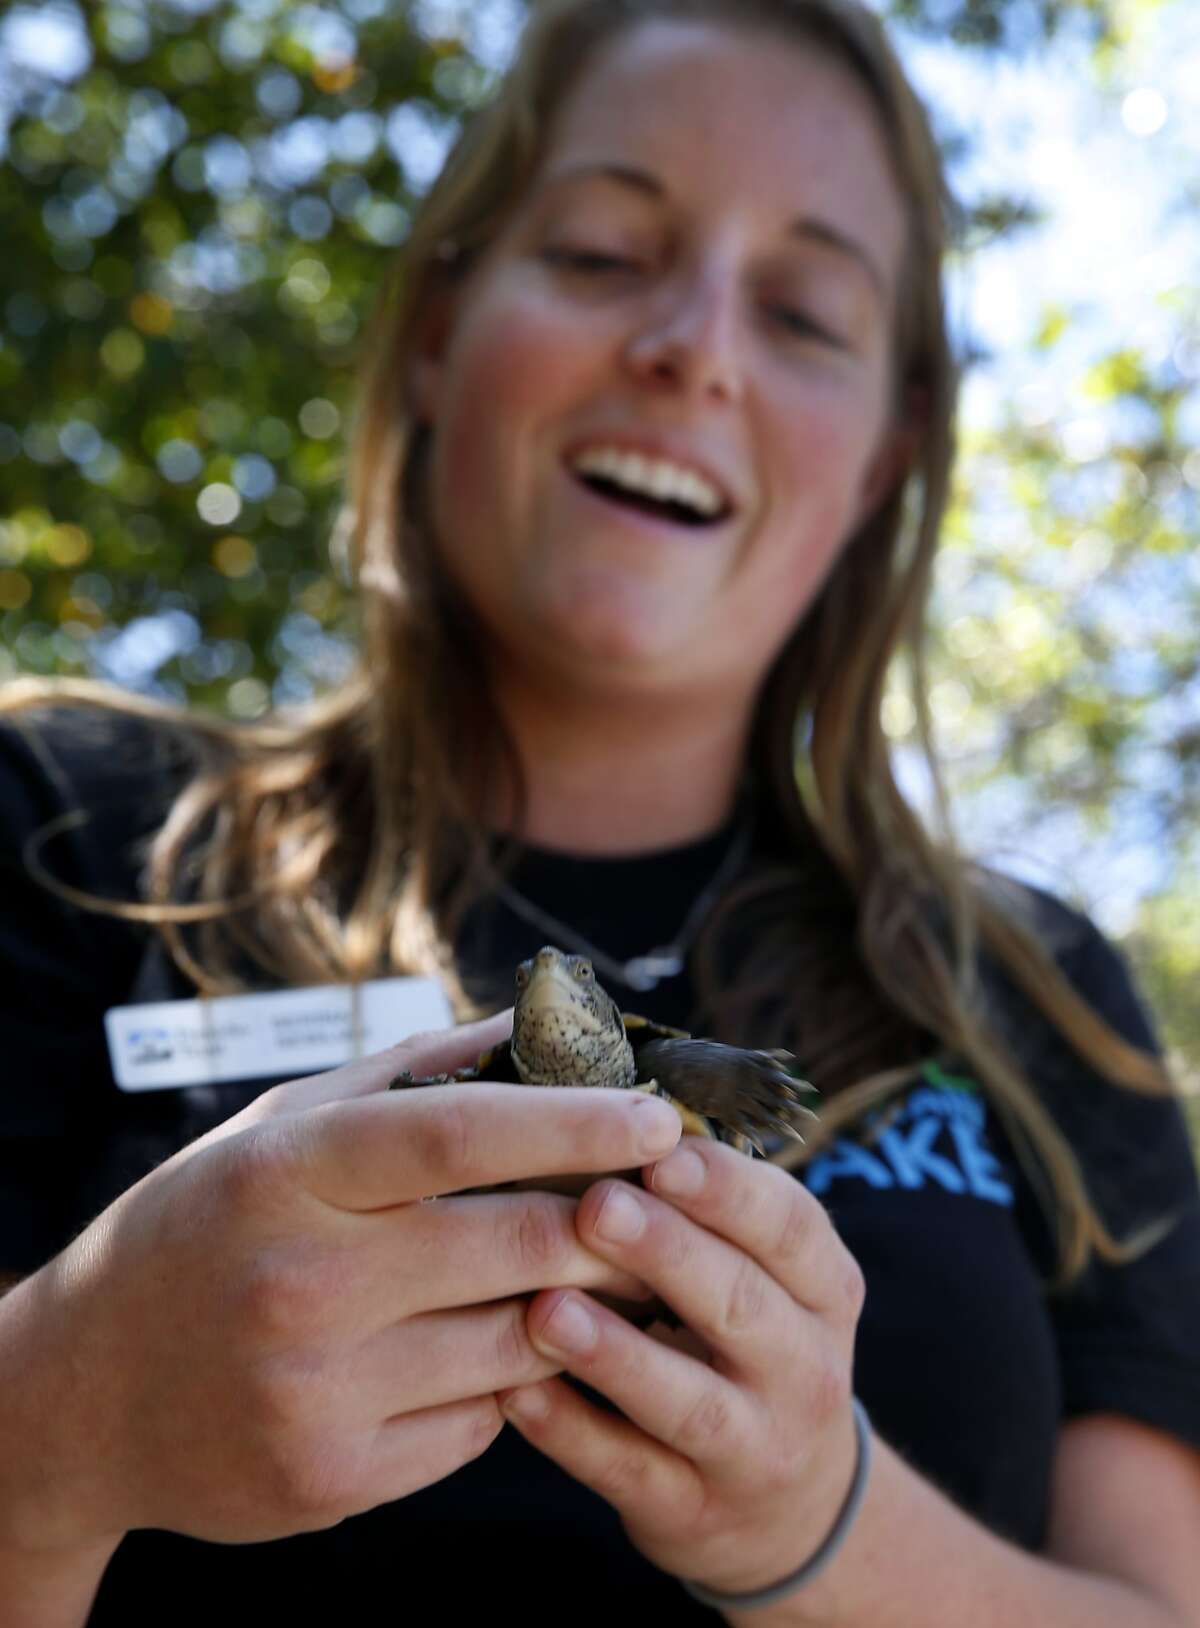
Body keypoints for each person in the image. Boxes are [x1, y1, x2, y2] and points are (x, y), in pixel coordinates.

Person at [1, 0, 1198, 1622]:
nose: (694, 345)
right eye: (600, 253)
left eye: (802, 310)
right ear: (436, 326)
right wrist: (72, 1400)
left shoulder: (1026, 993)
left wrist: (822, 1525)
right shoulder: (71, 831)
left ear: (888, 456)